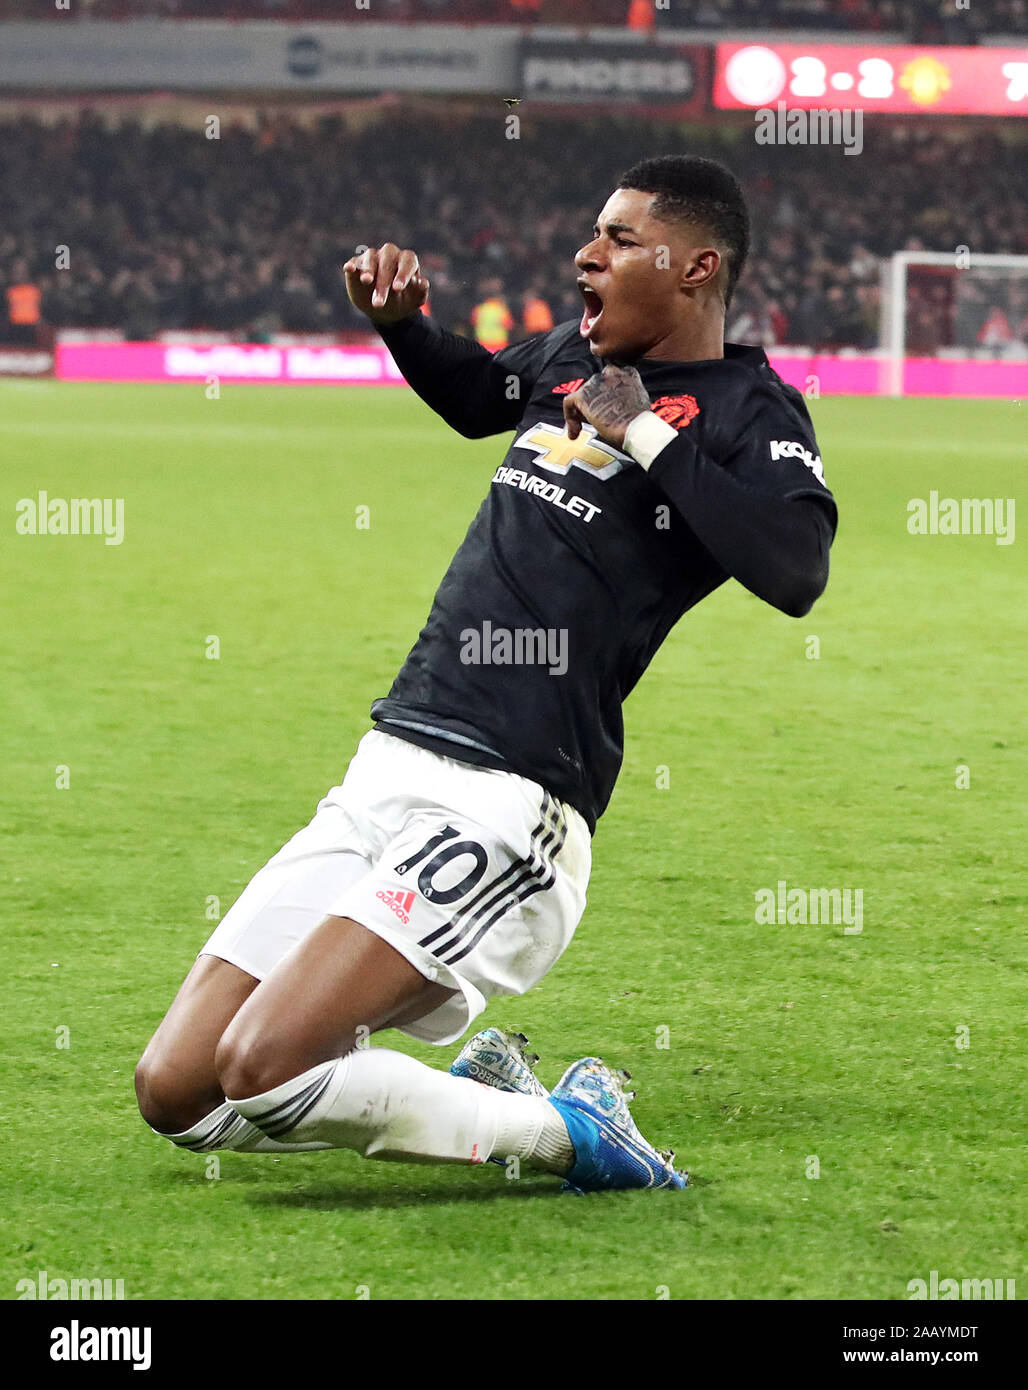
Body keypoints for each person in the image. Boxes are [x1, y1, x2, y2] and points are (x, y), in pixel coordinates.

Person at [135, 156, 836, 1193]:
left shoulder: (748, 410)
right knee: (181, 1090)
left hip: (515, 793)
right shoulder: (570, 352)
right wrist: (403, 329)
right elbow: (477, 396)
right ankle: (496, 1095)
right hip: (391, 758)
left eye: (617, 238)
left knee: (263, 1067)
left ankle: (564, 1131)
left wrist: (637, 429)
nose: (583, 253)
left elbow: (793, 568)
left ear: (695, 268)